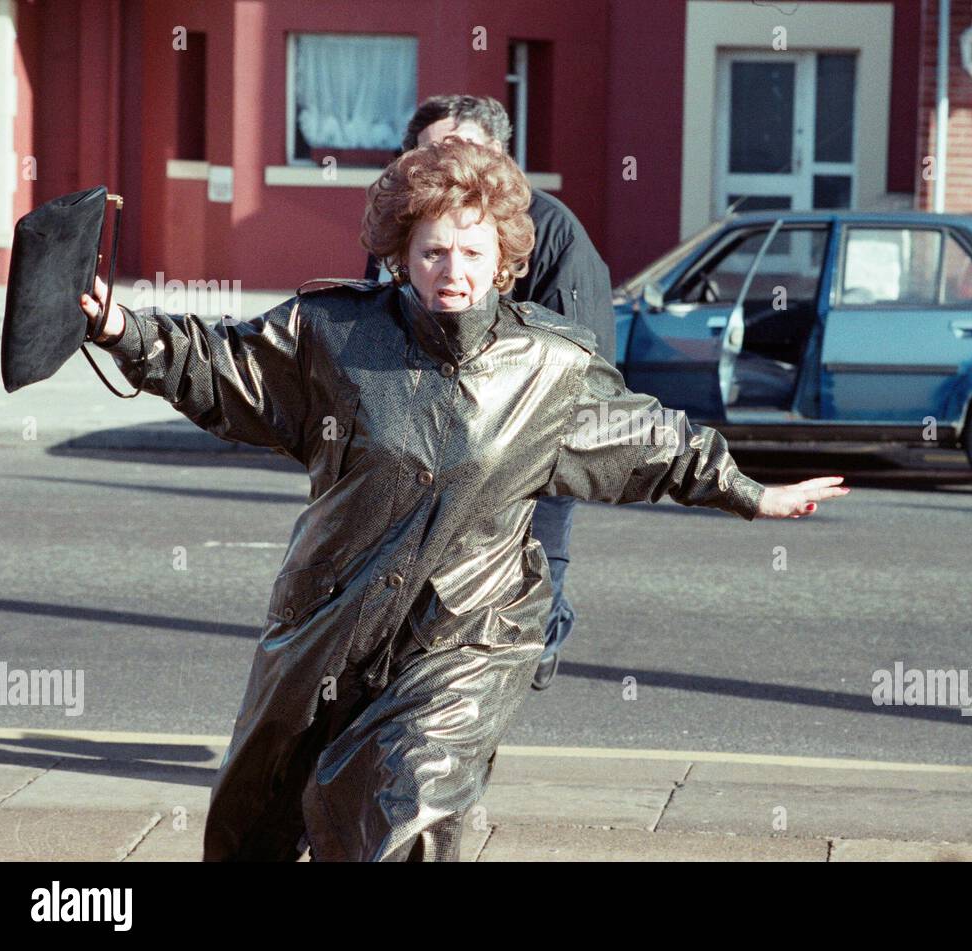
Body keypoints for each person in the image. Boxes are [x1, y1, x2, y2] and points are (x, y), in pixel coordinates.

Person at [78, 139, 849, 861]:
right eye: (435, 250)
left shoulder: (549, 366)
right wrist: (118, 328)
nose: (454, 269)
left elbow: (651, 439)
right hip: (329, 622)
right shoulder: (335, 334)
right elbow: (222, 366)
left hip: (468, 635)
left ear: (504, 260)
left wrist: (750, 492)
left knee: (413, 803)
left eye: (474, 251)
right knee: (268, 817)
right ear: (401, 256)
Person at [367, 94, 613, 691]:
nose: (446, 165)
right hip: (426, 451)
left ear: (497, 155)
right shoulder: (404, 228)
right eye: (430, 152)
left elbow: (587, 368)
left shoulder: (552, 231)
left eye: (462, 149)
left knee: (531, 591)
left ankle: (539, 640)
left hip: (526, 452)